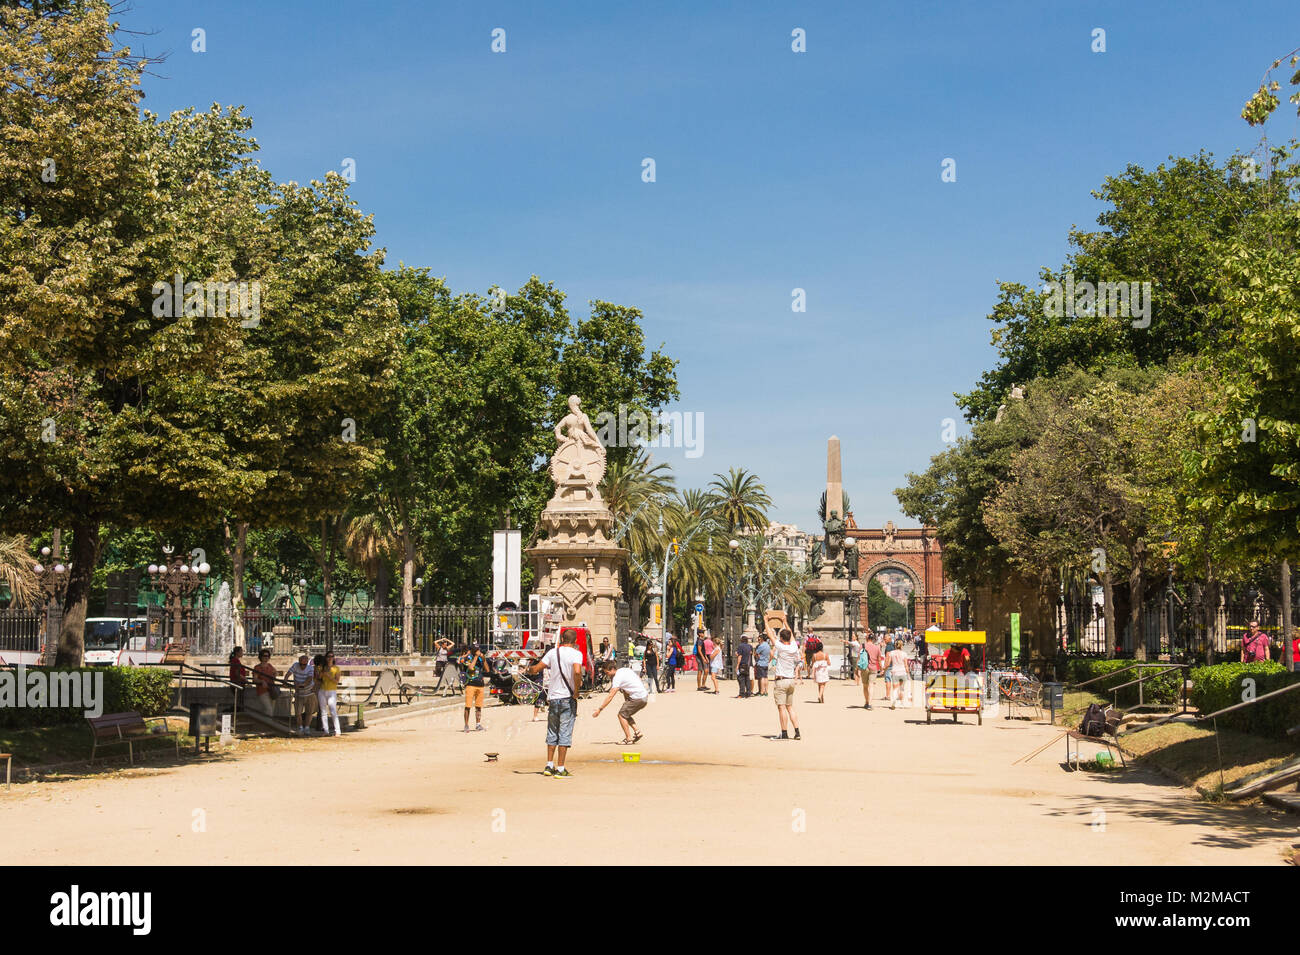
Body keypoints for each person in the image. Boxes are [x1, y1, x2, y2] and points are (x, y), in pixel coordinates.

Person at [526, 628, 584, 777]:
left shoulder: (553, 653)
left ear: (562, 639)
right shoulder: (577, 654)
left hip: (553, 698)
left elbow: (536, 669)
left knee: (552, 731)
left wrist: (527, 669)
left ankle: (548, 765)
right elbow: (577, 672)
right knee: (564, 732)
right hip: (567, 698)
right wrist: (576, 690)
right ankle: (560, 768)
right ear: (575, 641)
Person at [593, 660, 649, 744]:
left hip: (638, 697)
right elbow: (627, 688)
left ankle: (628, 739)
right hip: (644, 696)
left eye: (607, 673)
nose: (607, 675)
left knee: (621, 715)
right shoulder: (624, 670)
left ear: (612, 669)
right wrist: (627, 701)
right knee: (626, 714)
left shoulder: (617, 678)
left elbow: (610, 696)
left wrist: (600, 709)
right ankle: (637, 732)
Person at [770, 628, 803, 739]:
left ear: (782, 638)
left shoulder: (781, 647)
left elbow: (770, 636)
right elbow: (792, 636)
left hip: (781, 680)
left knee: (782, 707)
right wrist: (785, 621)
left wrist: (765, 621)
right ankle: (797, 731)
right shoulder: (794, 647)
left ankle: (784, 732)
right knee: (790, 707)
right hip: (791, 680)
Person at [458, 643, 490, 732]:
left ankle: (478, 724)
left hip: (480, 684)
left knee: (478, 707)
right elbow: (471, 667)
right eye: (476, 650)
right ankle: (466, 725)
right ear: (472, 651)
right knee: (468, 706)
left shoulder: (480, 658)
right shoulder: (468, 658)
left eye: (478, 650)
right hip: (470, 684)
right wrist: (476, 657)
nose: (477, 652)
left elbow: (487, 670)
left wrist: (483, 659)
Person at [287, 653, 317, 734]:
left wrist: (302, 685)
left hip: (309, 692)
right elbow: (289, 673)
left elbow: (309, 678)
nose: (302, 666)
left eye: (304, 664)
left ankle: (307, 727)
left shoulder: (310, 668)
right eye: (301, 664)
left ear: (307, 663)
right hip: (299, 694)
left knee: (309, 712)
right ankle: (300, 727)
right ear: (299, 662)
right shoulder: (295, 665)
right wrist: (285, 680)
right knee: (298, 713)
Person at [316, 651, 342, 736]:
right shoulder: (322, 667)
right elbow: (318, 678)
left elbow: (336, 681)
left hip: (332, 690)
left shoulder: (336, 668)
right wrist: (321, 673)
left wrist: (329, 676)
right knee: (323, 711)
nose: (330, 658)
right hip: (322, 690)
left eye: (332, 656)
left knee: (333, 710)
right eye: (328, 656)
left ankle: (337, 730)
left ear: (334, 658)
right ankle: (326, 730)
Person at [251, 648, 279, 717]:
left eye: (267, 656)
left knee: (270, 710)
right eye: (264, 656)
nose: (266, 657)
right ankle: (268, 724)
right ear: (261, 657)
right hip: (262, 691)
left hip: (271, 690)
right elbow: (255, 679)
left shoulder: (270, 666)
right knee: (269, 709)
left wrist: (275, 674)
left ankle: (266, 724)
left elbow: (275, 673)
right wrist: (262, 681)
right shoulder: (257, 667)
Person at [858, 633, 881, 709]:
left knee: (865, 686)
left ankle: (866, 702)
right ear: (873, 639)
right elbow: (879, 660)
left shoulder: (862, 646)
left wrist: (857, 669)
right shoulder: (877, 647)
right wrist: (881, 668)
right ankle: (870, 704)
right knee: (871, 686)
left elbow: (859, 658)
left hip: (864, 668)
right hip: (873, 668)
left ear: (867, 638)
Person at [883, 639, 909, 709]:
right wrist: (908, 674)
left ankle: (894, 703)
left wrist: (884, 670)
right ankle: (901, 703)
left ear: (895, 645)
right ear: (902, 645)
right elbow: (906, 665)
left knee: (895, 688)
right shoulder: (904, 654)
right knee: (901, 689)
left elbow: (888, 663)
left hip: (895, 672)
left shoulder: (891, 653)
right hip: (903, 672)